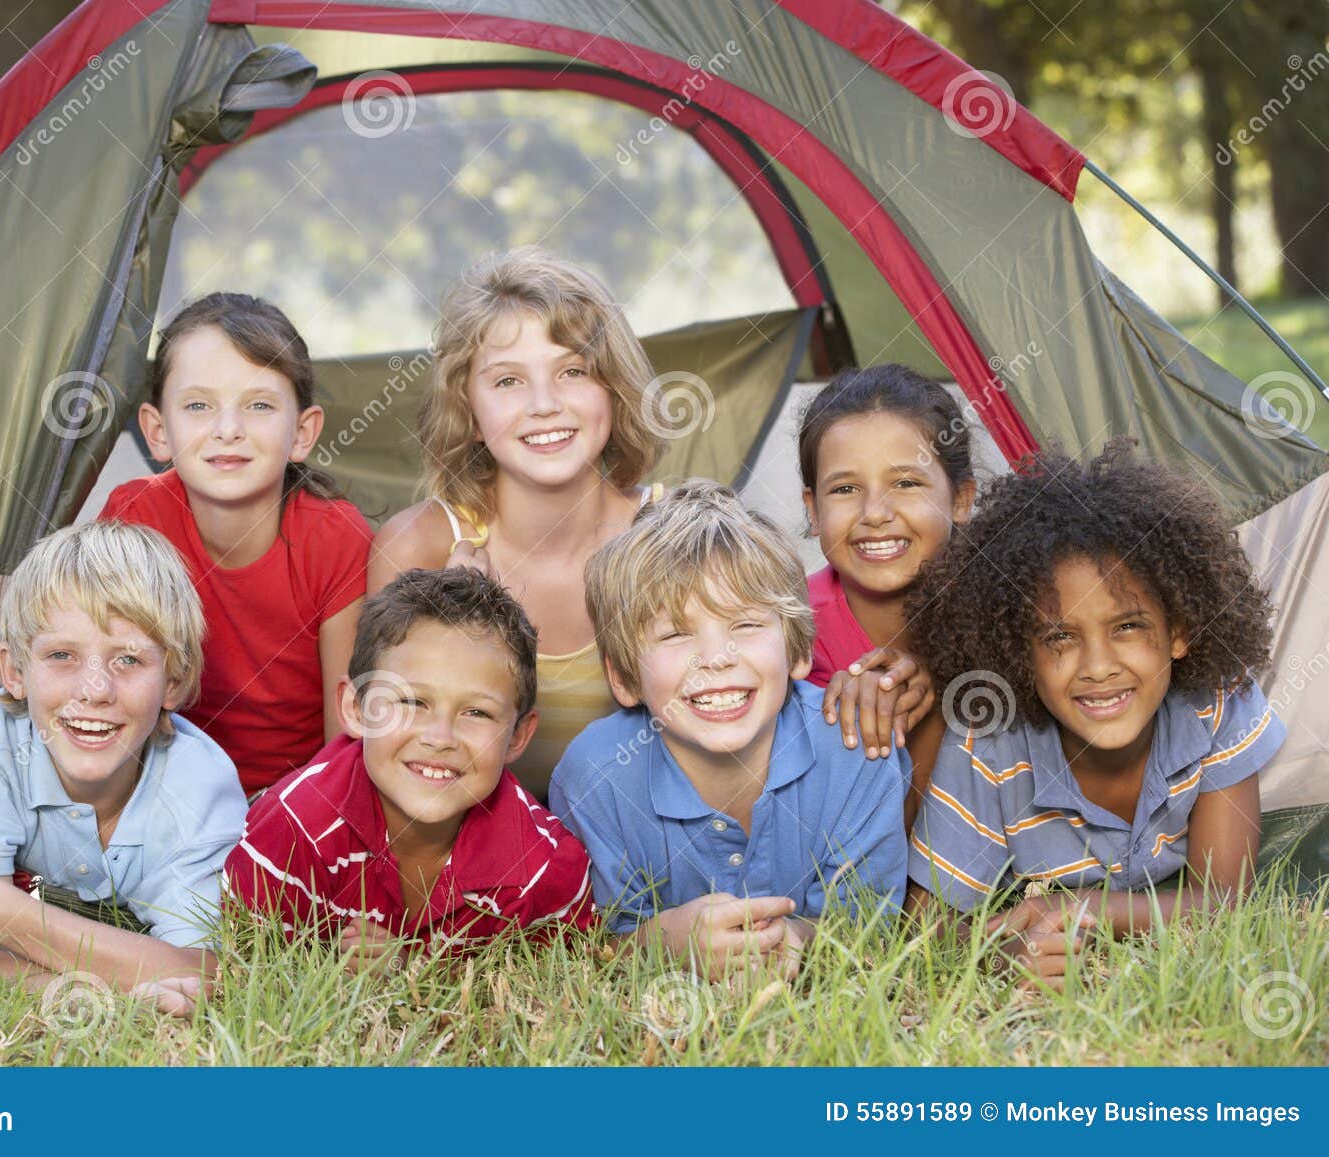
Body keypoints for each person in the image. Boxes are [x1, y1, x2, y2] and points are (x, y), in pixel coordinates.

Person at [904, 442, 1283, 989]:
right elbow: (926, 926)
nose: (1098, 667)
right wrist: (1002, 951)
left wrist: (1089, 909)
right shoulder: (989, 742)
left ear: (1178, 631)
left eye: (1127, 626)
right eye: (1060, 636)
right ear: (1017, 652)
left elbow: (1227, 902)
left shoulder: (1219, 703)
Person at [550, 481, 907, 978]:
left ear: (799, 650)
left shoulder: (853, 748)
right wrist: (664, 943)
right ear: (623, 677)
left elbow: (871, 931)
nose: (717, 659)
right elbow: (590, 944)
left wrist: (795, 941)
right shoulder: (596, 778)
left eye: (745, 625)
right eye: (675, 633)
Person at [0, 521, 247, 1018]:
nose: (95, 689)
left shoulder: (200, 781)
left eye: (128, 659)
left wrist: (1, 910)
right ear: (15, 672)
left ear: (173, 683)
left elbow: (202, 973)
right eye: (62, 655)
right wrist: (126, 992)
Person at [368, 247, 663, 799]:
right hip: (483, 860)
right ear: (469, 412)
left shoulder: (672, 531)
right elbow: (372, 755)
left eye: (573, 371)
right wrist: (454, 620)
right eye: (508, 382)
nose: (544, 404)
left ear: (614, 390)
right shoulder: (418, 546)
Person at [225, 567, 595, 967]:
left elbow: (555, 1002)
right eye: (412, 702)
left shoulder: (547, 867)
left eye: (477, 712)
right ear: (355, 708)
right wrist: (328, 975)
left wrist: (414, 972)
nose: (440, 737)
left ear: (519, 736)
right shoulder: (291, 830)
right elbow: (245, 975)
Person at [101, 293, 371, 796]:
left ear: (302, 432)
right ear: (158, 432)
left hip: (295, 796)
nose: (228, 430)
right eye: (199, 405)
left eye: (260, 405)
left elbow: (347, 740)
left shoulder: (336, 540)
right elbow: (111, 681)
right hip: (158, 785)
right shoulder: (135, 518)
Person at [797, 365, 979, 826]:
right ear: (812, 510)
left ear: (961, 498)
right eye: (845, 489)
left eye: (906, 483)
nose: (875, 513)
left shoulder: (998, 604)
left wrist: (939, 687)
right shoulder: (788, 629)